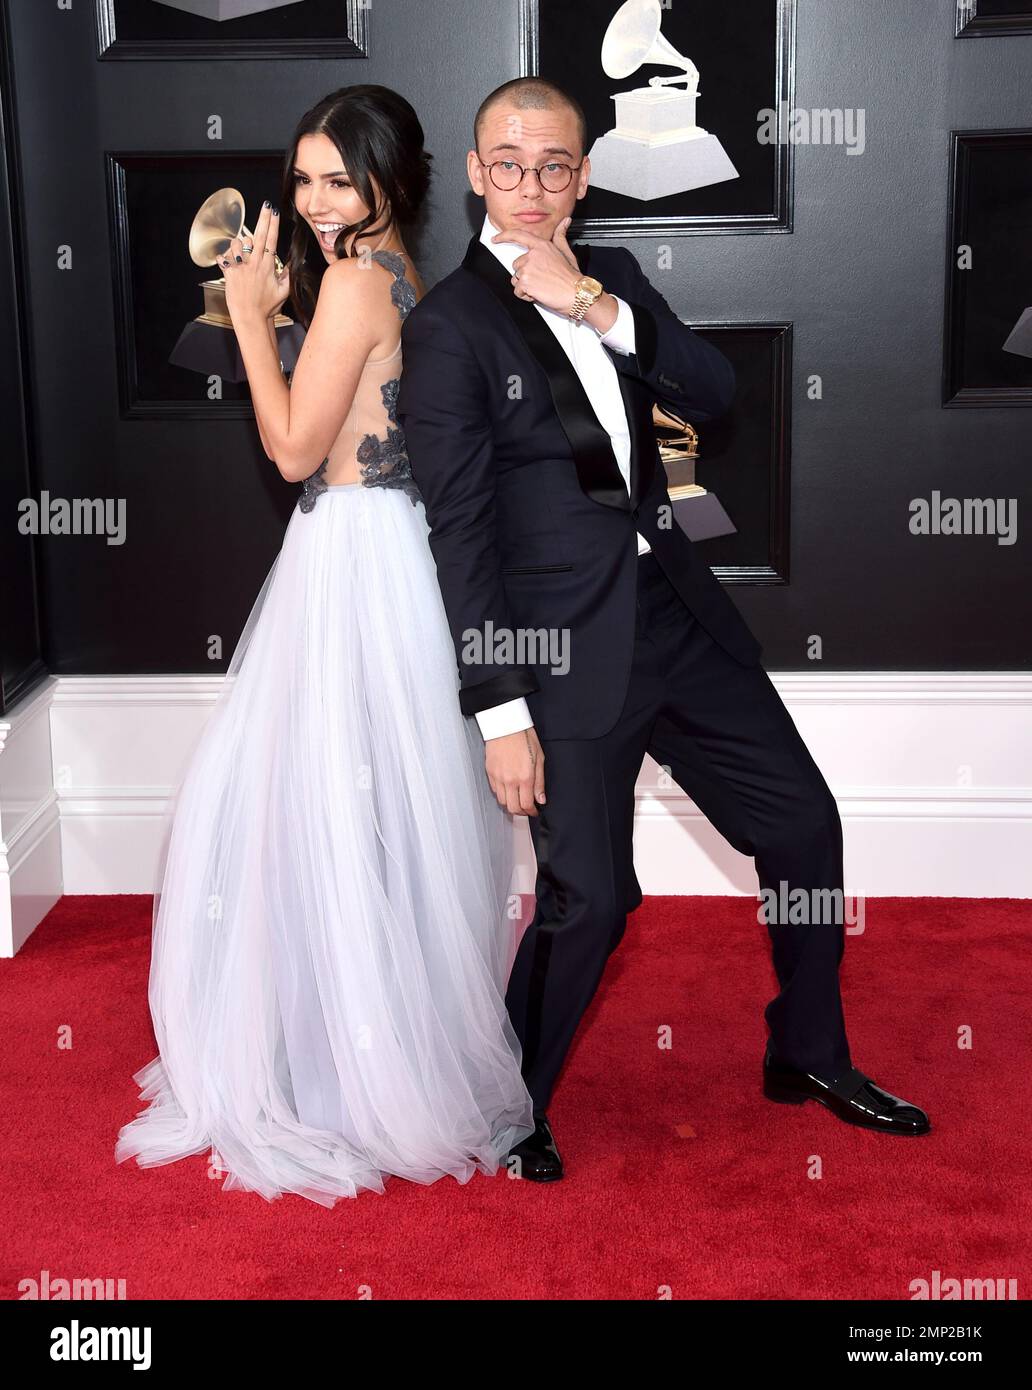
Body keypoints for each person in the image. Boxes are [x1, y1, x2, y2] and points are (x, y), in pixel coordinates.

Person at [396, 77, 931, 1183]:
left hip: (678, 617)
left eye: (555, 165)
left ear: (584, 176)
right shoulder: (447, 326)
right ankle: (511, 1103)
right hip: (557, 654)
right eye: (509, 163)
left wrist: (594, 303)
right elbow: (460, 530)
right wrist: (499, 708)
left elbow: (716, 389)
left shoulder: (617, 277)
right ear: (476, 172)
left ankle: (811, 1051)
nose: (532, 185)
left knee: (804, 827)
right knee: (591, 898)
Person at [115, 85, 535, 1207]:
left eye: (336, 179)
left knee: (304, 810)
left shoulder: (351, 282)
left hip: (348, 559)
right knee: (373, 820)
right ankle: (368, 1053)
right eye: (300, 178)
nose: (309, 200)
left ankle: (335, 1072)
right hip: (387, 559)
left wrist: (250, 315)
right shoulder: (400, 278)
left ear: (391, 182)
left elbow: (296, 448)